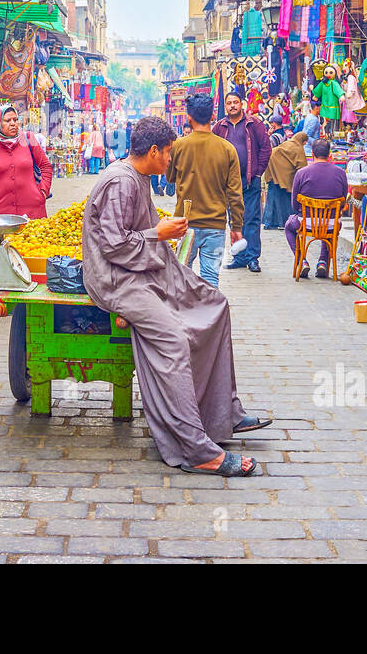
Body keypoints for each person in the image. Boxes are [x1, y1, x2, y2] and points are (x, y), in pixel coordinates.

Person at [81, 116, 271, 477]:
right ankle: (196, 449)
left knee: (214, 303)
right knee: (173, 339)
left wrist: (159, 231)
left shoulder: (138, 177)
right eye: (168, 153)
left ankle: (222, 414)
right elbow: (114, 245)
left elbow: (133, 232)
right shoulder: (121, 182)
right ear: (153, 151)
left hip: (142, 268)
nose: (170, 160)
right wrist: (158, 232)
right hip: (117, 280)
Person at [165, 94, 243, 288]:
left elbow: (170, 177)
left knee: (182, 277)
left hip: (184, 224)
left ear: (188, 117)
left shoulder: (179, 146)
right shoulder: (227, 149)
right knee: (211, 278)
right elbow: (235, 194)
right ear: (213, 116)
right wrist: (237, 227)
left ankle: (184, 316)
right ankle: (210, 317)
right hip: (215, 226)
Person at [212, 92, 271, 273]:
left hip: (249, 181)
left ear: (241, 104)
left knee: (251, 219)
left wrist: (258, 172)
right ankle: (239, 257)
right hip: (229, 183)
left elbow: (266, 148)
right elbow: (212, 150)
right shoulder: (219, 127)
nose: (232, 106)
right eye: (229, 103)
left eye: (235, 102)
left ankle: (253, 258)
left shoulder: (254, 124)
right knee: (234, 220)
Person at [0, 102, 53, 220]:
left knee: (32, 238)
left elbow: (46, 166)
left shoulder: (29, 138)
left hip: (32, 209)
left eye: (15, 120)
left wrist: (43, 191)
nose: (13, 124)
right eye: (7, 121)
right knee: (0, 239)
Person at [287, 137, 350, 279]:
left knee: (288, 226)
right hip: (331, 224)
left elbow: (294, 205)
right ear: (329, 155)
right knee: (329, 224)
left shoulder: (302, 173)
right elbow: (342, 200)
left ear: (312, 154)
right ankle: (322, 261)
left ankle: (302, 260)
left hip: (306, 222)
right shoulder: (340, 174)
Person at [263, 131, 308, 231]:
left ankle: (269, 222)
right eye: (305, 142)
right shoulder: (298, 147)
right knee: (283, 197)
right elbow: (302, 166)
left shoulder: (289, 143)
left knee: (273, 195)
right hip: (279, 171)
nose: (305, 144)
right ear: (302, 140)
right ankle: (282, 222)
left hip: (272, 167)